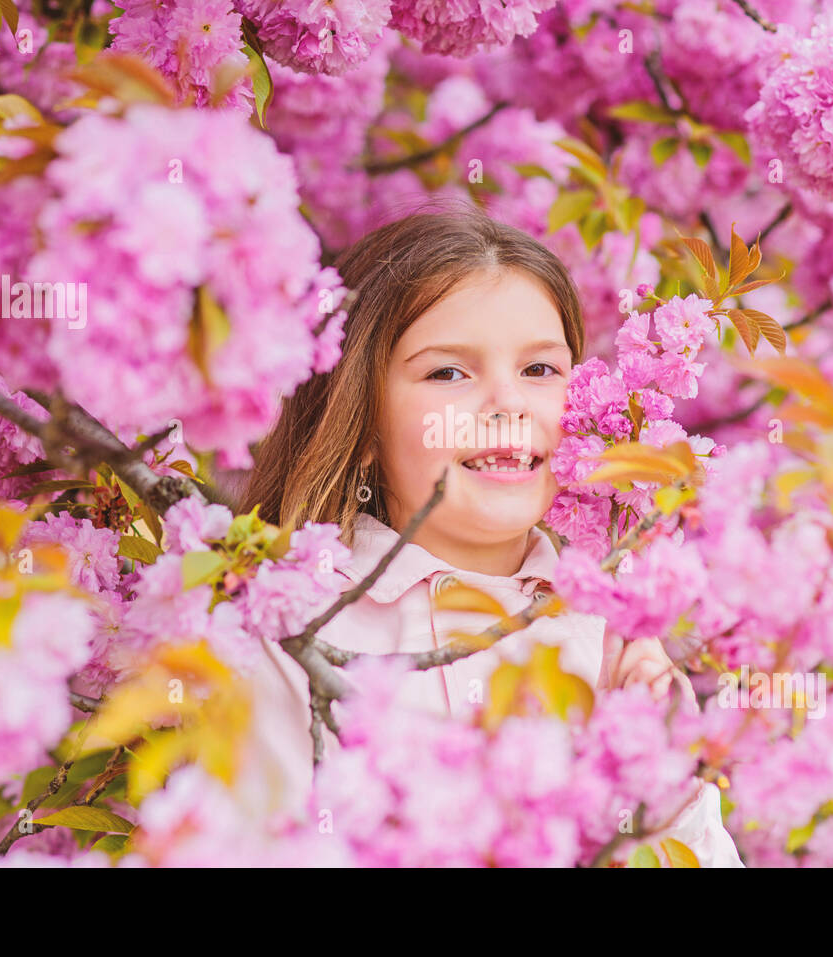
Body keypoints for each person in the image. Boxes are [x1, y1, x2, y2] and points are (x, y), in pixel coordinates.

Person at [242, 200, 743, 866]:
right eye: (448, 372)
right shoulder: (291, 632)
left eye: (540, 370)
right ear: (363, 422)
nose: (508, 403)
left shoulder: (605, 644)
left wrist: (659, 759)